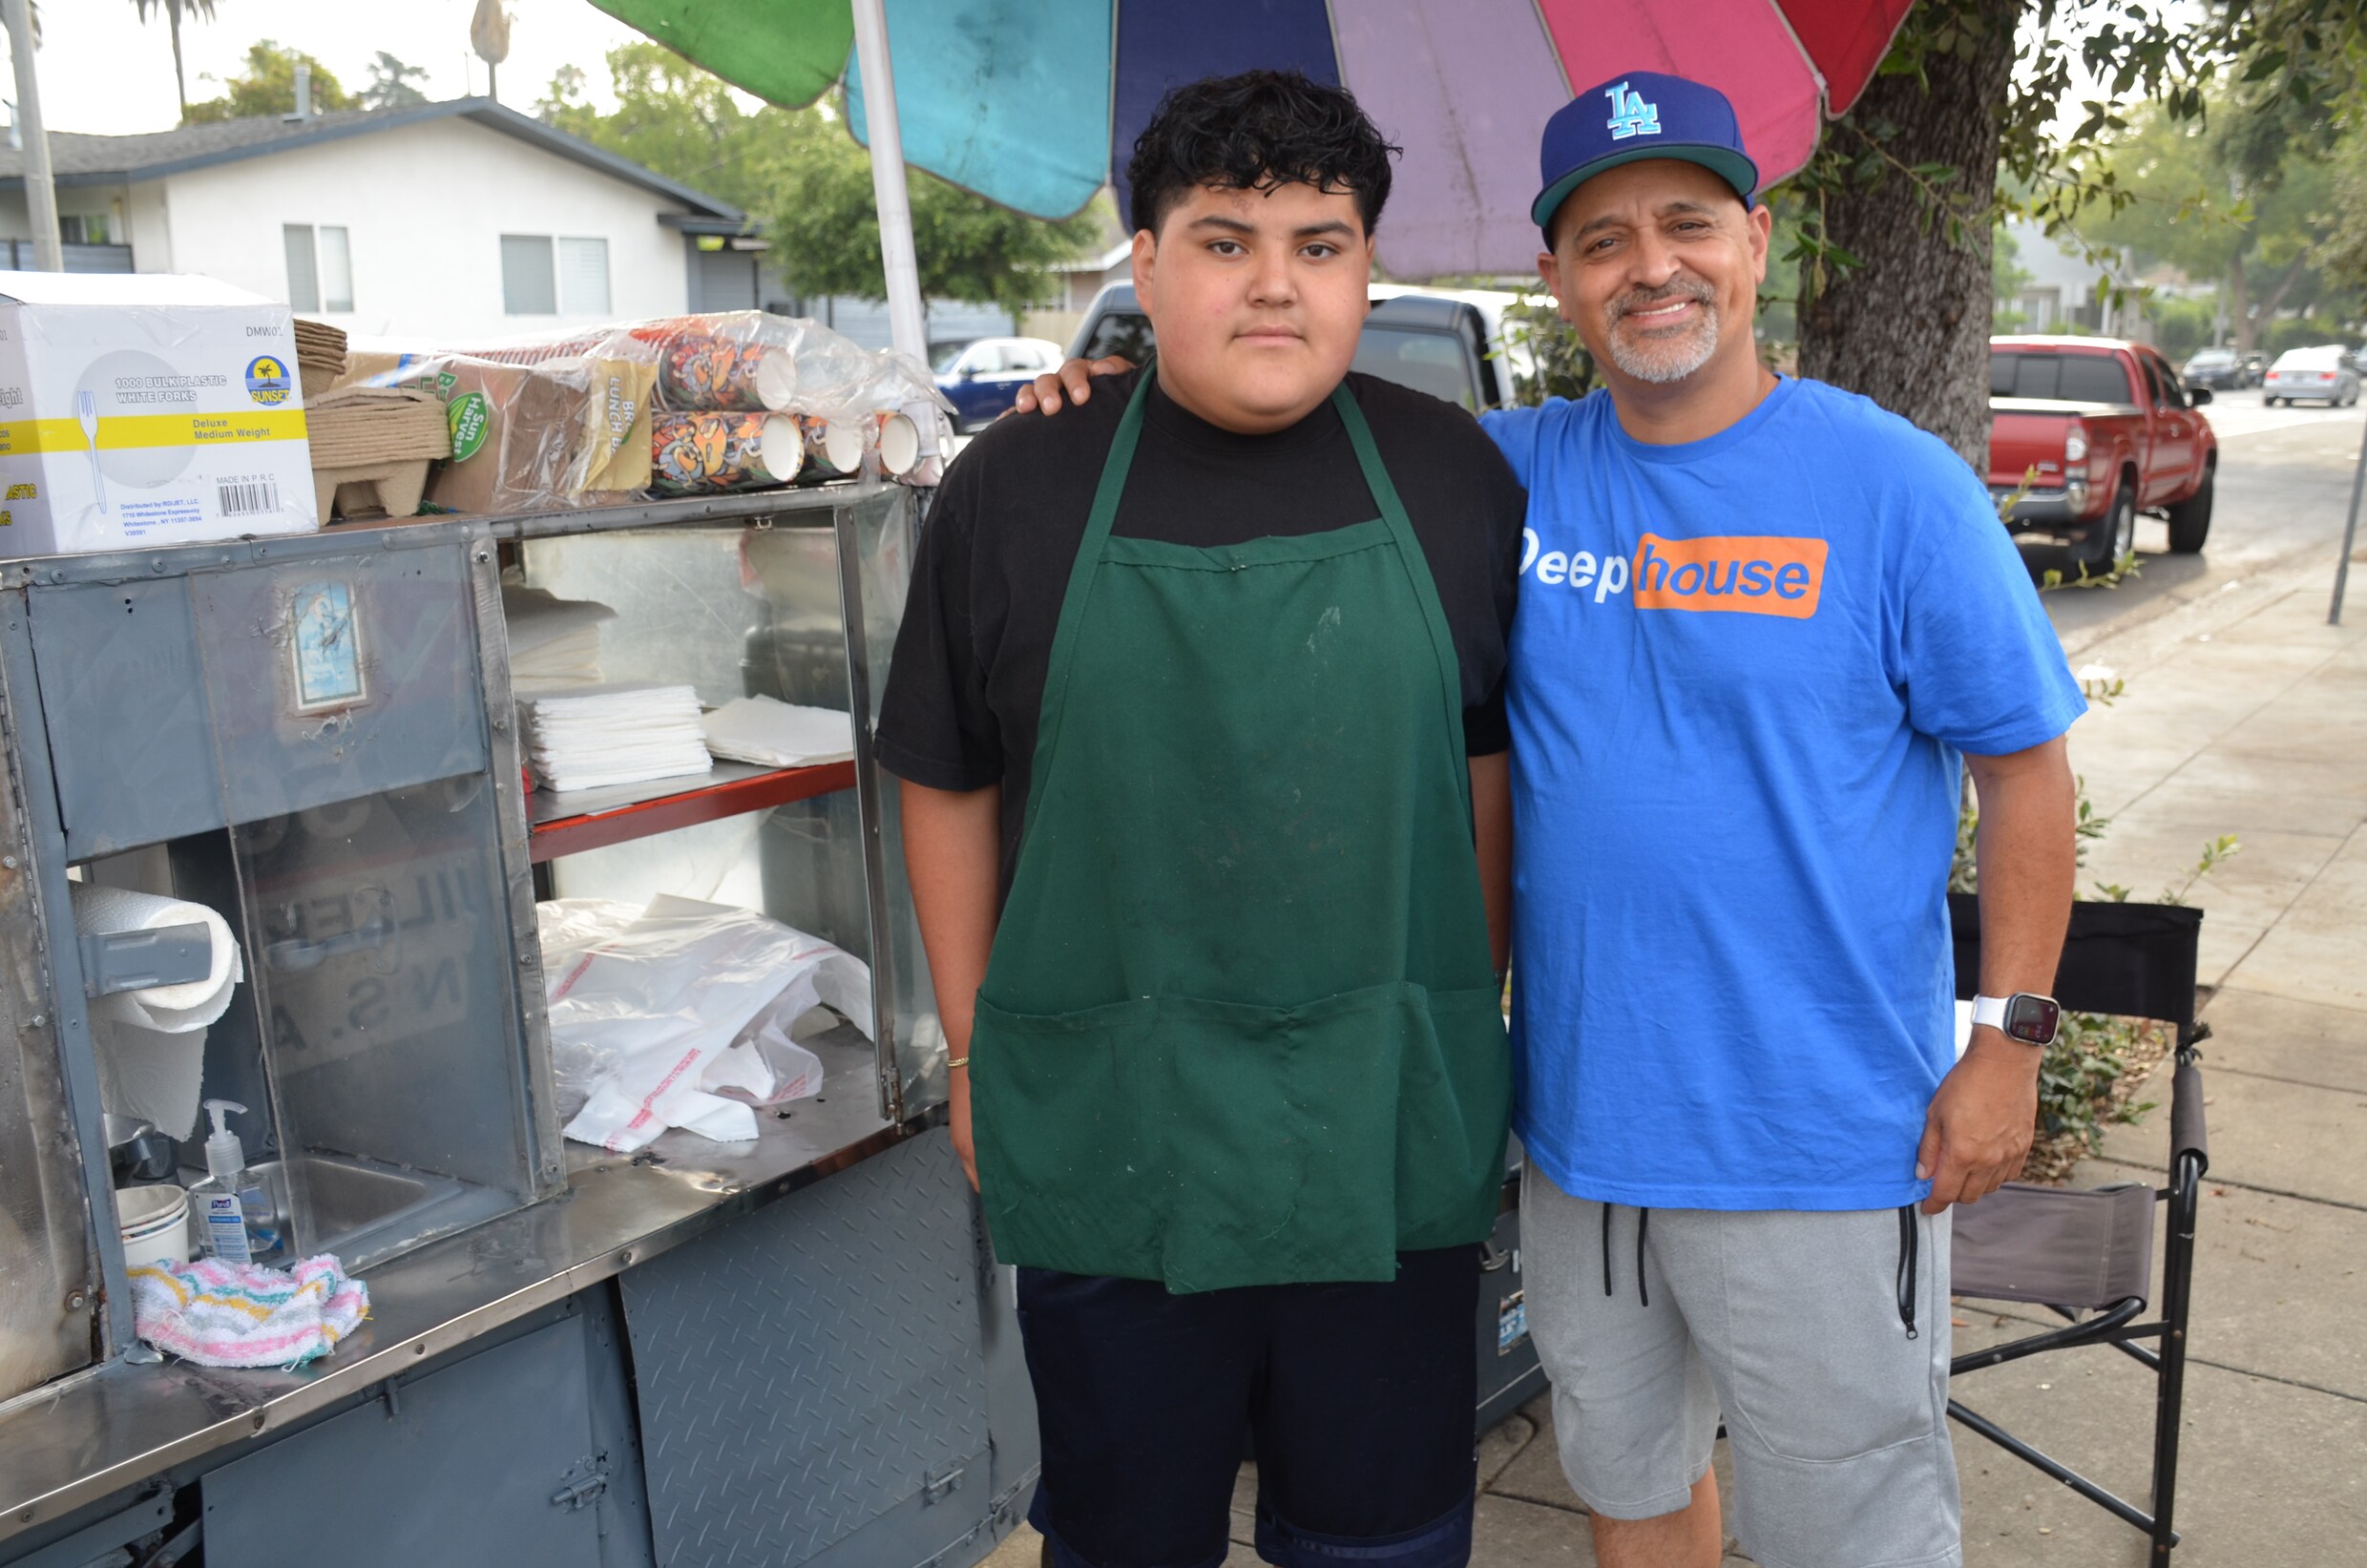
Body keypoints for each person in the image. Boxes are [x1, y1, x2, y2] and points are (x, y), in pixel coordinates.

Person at [1017, 68, 2083, 1568]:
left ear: (1755, 242)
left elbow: (2027, 771)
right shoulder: (1500, 478)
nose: (1651, 265)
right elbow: (1283, 443)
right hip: (1580, 1132)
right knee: (1631, 1483)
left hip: (1827, 1139)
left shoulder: (1895, 489)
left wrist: (2009, 1039)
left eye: (1686, 225)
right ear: (1556, 281)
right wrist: (1109, 402)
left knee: (1852, 1527)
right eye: (1604, 240)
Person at [874, 71, 1526, 1568]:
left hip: (1383, 1134)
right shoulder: (1019, 484)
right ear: (1145, 260)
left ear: (1369, 266)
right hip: (1115, 1128)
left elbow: (1481, 771)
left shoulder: (1459, 480)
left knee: (1382, 1542)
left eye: (1323, 240)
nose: (1277, 284)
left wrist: (1459, 1020)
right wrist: (976, 1048)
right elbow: (947, 777)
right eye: (1226, 241)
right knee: (1124, 1545)